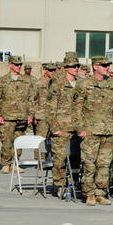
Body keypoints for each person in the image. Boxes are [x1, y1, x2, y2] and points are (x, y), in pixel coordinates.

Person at [75, 57, 113, 206]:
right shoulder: (84, 84)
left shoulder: (111, 85)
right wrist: (80, 128)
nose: (107, 68)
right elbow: (76, 108)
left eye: (108, 65)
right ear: (95, 66)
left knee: (104, 163)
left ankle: (100, 193)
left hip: (107, 130)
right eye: (104, 65)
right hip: (90, 130)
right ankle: (89, 194)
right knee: (89, 163)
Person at [47, 52, 83, 196]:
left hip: (78, 128)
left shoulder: (81, 83)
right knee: (60, 159)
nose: (76, 68)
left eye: (77, 66)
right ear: (65, 67)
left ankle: (72, 185)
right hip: (62, 128)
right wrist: (54, 128)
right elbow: (50, 108)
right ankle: (59, 184)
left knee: (76, 159)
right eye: (73, 66)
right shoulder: (57, 84)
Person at [0, 56, 35, 173]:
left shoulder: (26, 81)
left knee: (18, 141)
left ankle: (15, 163)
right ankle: (6, 163)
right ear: (10, 65)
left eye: (20, 64)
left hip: (22, 116)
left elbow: (31, 99)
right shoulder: (2, 80)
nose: (19, 66)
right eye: (16, 64)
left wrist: (30, 115)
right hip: (7, 116)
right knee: (6, 141)